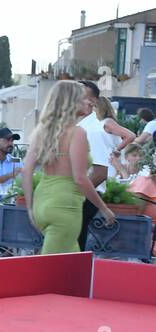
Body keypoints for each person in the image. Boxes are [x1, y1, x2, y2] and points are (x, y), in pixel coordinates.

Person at [22, 81, 117, 254]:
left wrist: (29, 207)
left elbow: (26, 170)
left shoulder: (42, 131)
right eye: (82, 98)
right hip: (65, 205)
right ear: (71, 102)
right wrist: (104, 209)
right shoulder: (77, 132)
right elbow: (80, 178)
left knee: (72, 264)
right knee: (51, 270)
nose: (88, 102)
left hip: (42, 202)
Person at [75, 81, 135, 249]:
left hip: (89, 190)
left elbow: (130, 135)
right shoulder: (88, 126)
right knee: (76, 239)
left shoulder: (100, 126)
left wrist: (116, 150)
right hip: (90, 187)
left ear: (94, 102)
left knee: (76, 240)